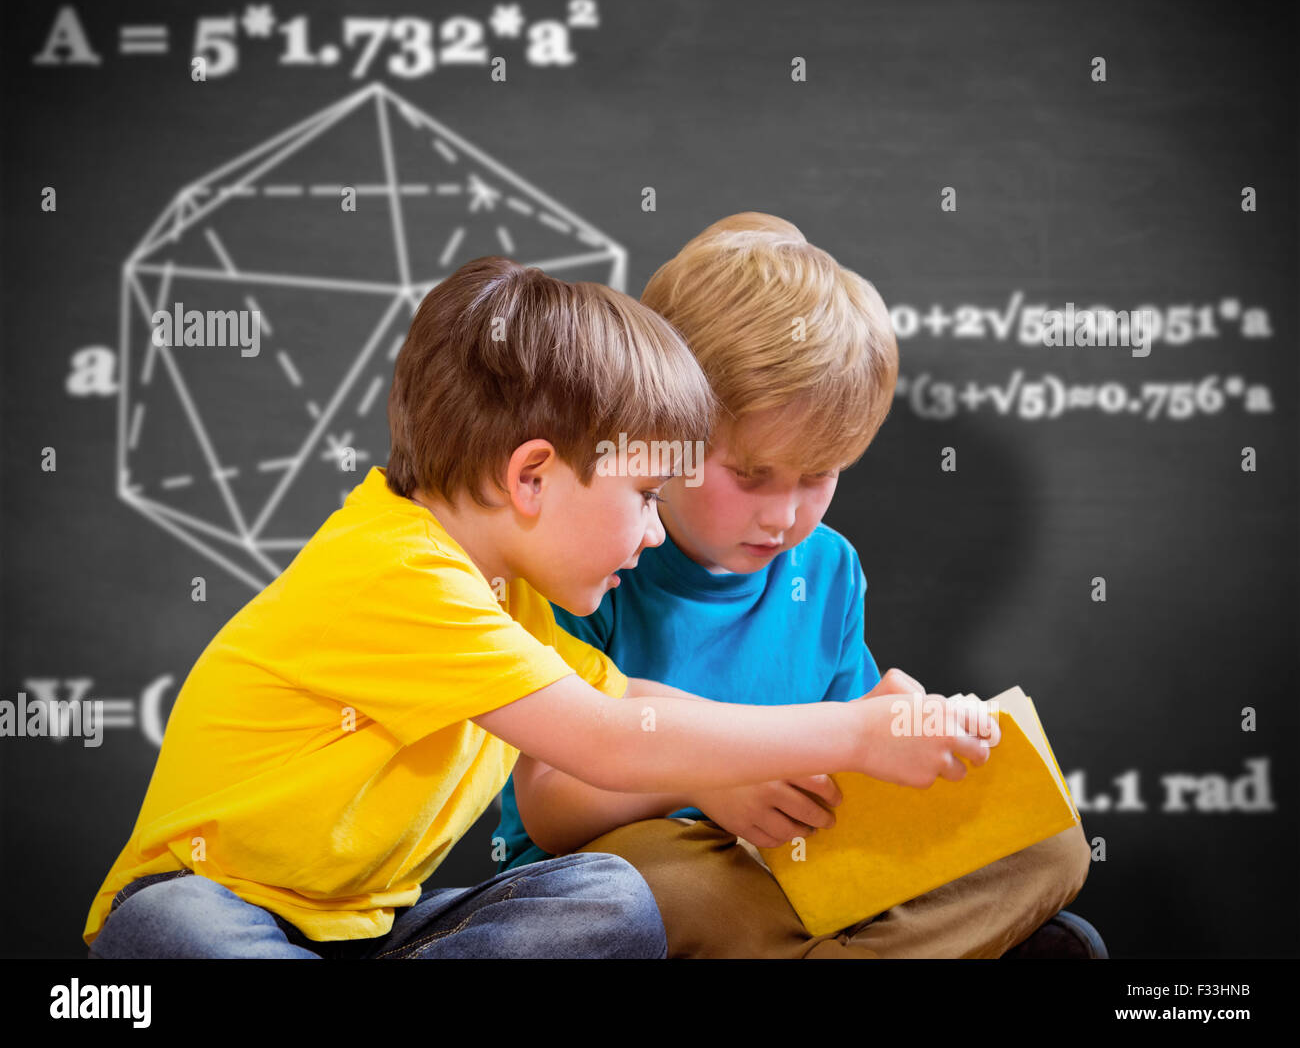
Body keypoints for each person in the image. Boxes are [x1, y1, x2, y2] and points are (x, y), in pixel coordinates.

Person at [83, 255, 997, 959]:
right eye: (644, 496)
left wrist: (853, 724)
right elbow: (605, 739)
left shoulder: (512, 591)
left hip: (368, 935)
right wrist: (853, 736)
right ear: (532, 477)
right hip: (226, 909)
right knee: (175, 929)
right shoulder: (401, 571)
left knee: (605, 900)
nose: (652, 532)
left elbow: (632, 701)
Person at [495, 216, 1092, 958]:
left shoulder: (829, 569)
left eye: (818, 475)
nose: (783, 516)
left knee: (1051, 845)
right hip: (631, 875)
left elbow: (850, 766)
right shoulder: (589, 561)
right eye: (751, 475)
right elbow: (548, 804)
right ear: (662, 431)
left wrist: (918, 741)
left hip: (790, 871)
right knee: (655, 884)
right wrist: (709, 778)